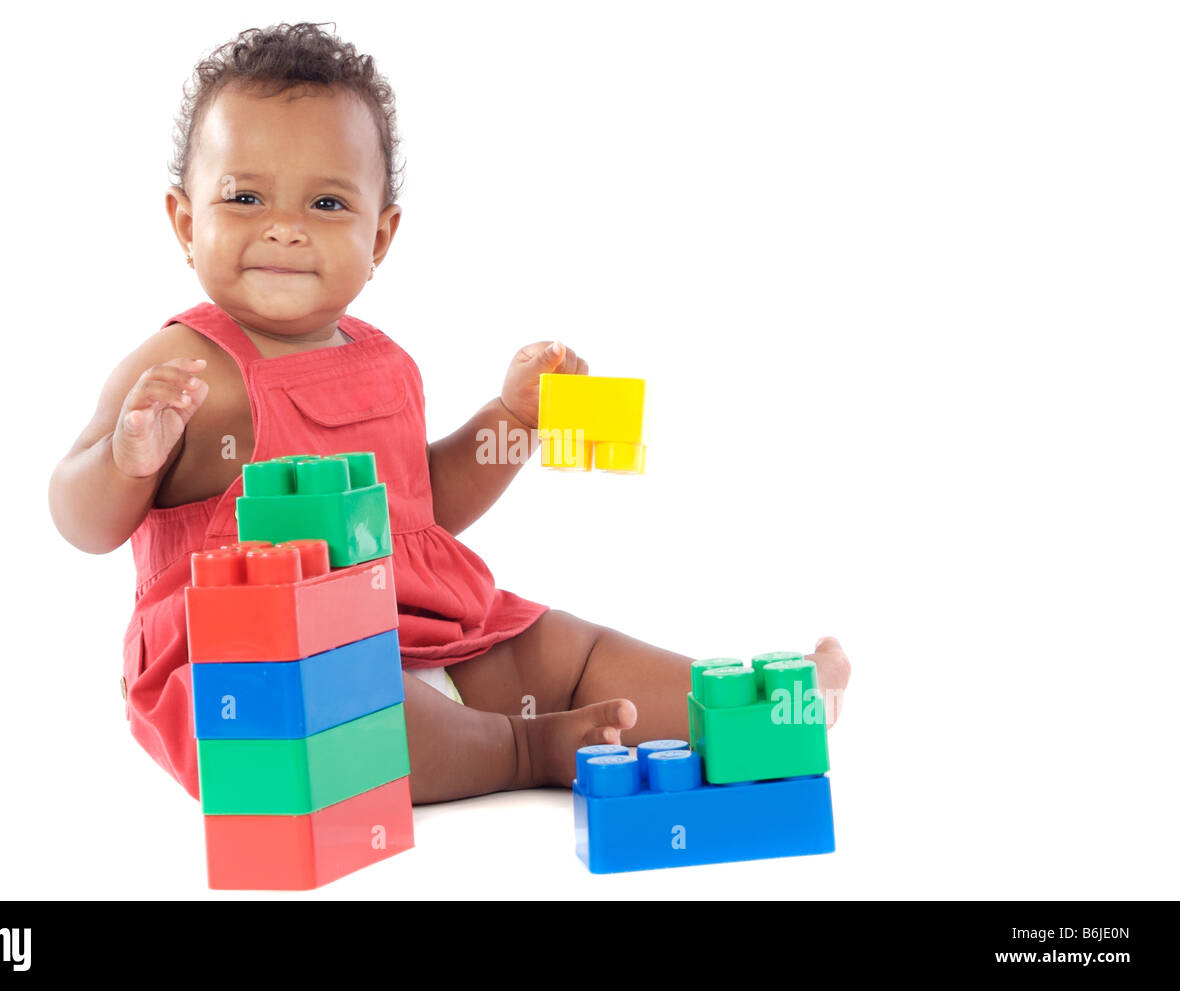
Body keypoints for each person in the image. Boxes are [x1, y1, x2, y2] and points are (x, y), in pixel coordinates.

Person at [49, 22, 851, 804]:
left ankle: (758, 706)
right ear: (187, 222)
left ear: (381, 236)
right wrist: (127, 457)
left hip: (420, 631)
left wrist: (516, 417)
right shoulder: (179, 370)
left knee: (565, 646)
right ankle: (522, 747)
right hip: (253, 667)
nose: (285, 228)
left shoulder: (386, 362)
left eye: (327, 202)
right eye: (246, 196)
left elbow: (422, 506)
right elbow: (79, 518)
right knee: (341, 701)